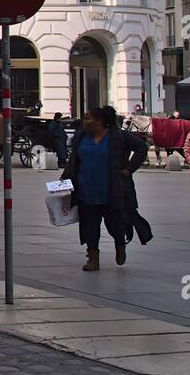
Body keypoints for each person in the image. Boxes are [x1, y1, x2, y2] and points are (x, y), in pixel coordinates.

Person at [60, 105, 147, 272]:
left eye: (88, 118)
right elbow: (74, 160)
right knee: (89, 225)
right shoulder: (81, 136)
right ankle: (93, 257)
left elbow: (142, 148)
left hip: (112, 190)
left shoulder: (118, 136)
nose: (85, 121)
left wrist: (129, 169)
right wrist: (66, 178)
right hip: (86, 189)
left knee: (115, 224)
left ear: (99, 121)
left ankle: (120, 244)